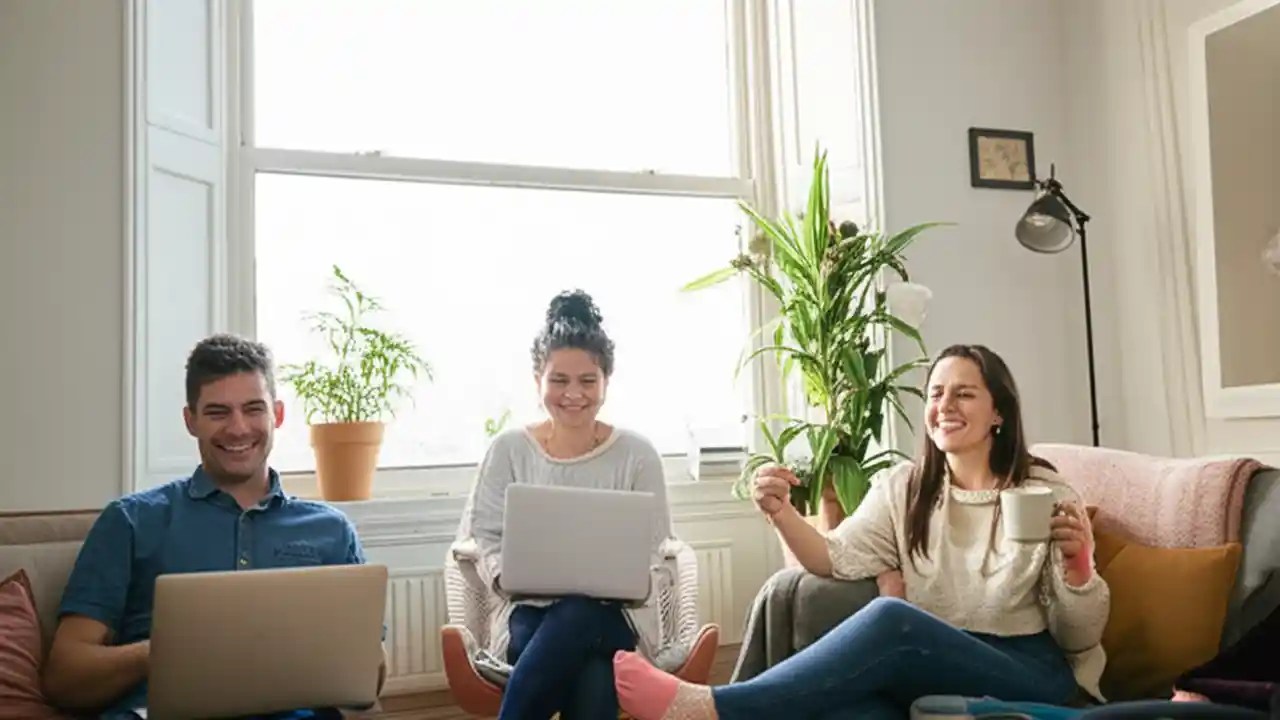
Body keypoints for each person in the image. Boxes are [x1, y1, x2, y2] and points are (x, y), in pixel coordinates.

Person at [611, 343, 1112, 720]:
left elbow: (1079, 636)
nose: (945, 405)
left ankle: (710, 706)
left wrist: (1080, 569)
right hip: (934, 662)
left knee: (891, 620)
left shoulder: (1046, 493)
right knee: (842, 711)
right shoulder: (907, 488)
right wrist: (781, 512)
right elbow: (833, 557)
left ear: (998, 411)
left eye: (964, 393)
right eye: (936, 393)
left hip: (1028, 667)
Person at [42, 334, 384, 720]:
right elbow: (65, 677)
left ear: (278, 414)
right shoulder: (130, 521)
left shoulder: (332, 531)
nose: (238, 429)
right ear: (191, 420)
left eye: (253, 409)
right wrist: (162, 653)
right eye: (218, 412)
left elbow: (370, 675)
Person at [453, 289, 677, 720]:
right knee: (592, 680)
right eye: (559, 380)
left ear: (606, 382)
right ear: (538, 378)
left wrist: (636, 579)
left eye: (587, 381)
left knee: (580, 611)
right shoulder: (508, 450)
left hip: (615, 619)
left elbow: (656, 552)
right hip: (528, 617)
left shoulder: (637, 454)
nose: (573, 393)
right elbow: (483, 538)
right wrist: (506, 577)